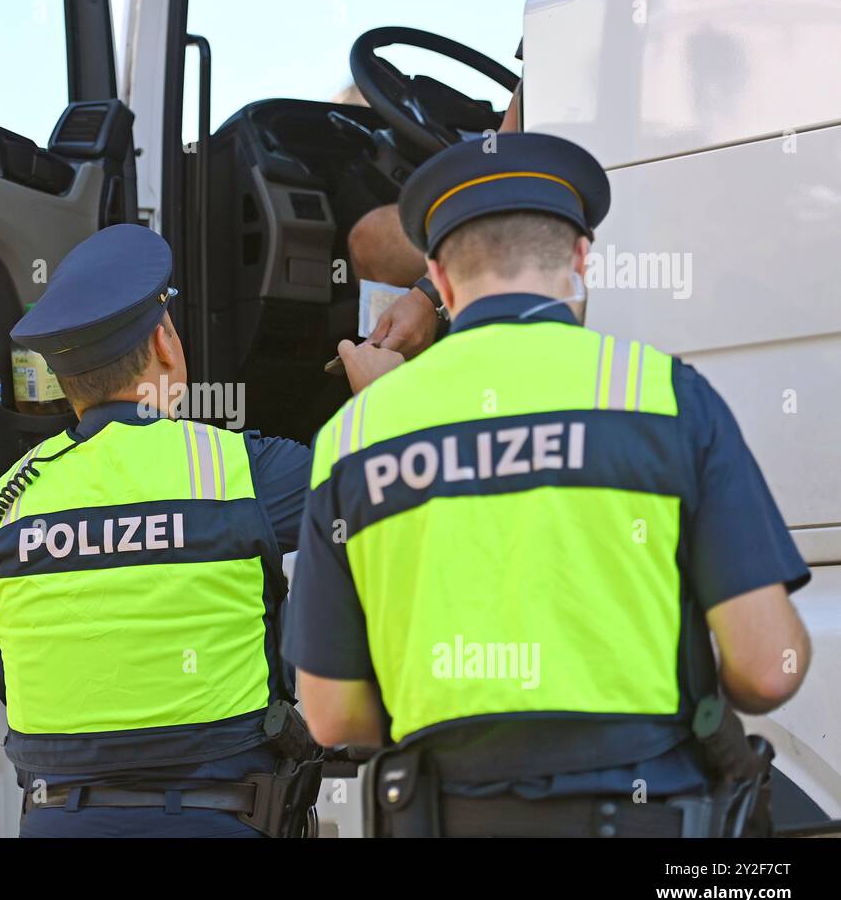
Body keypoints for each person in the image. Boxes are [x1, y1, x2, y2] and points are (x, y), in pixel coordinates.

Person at [284, 132, 813, 837]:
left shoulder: (355, 437)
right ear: (581, 261)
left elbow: (330, 715)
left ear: (438, 281)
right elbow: (768, 669)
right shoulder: (663, 397)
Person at [0, 224, 321, 837]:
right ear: (165, 341)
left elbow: (10, 670)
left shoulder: (12, 497)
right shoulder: (237, 469)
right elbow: (381, 483)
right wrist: (383, 389)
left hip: (55, 824)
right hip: (218, 821)